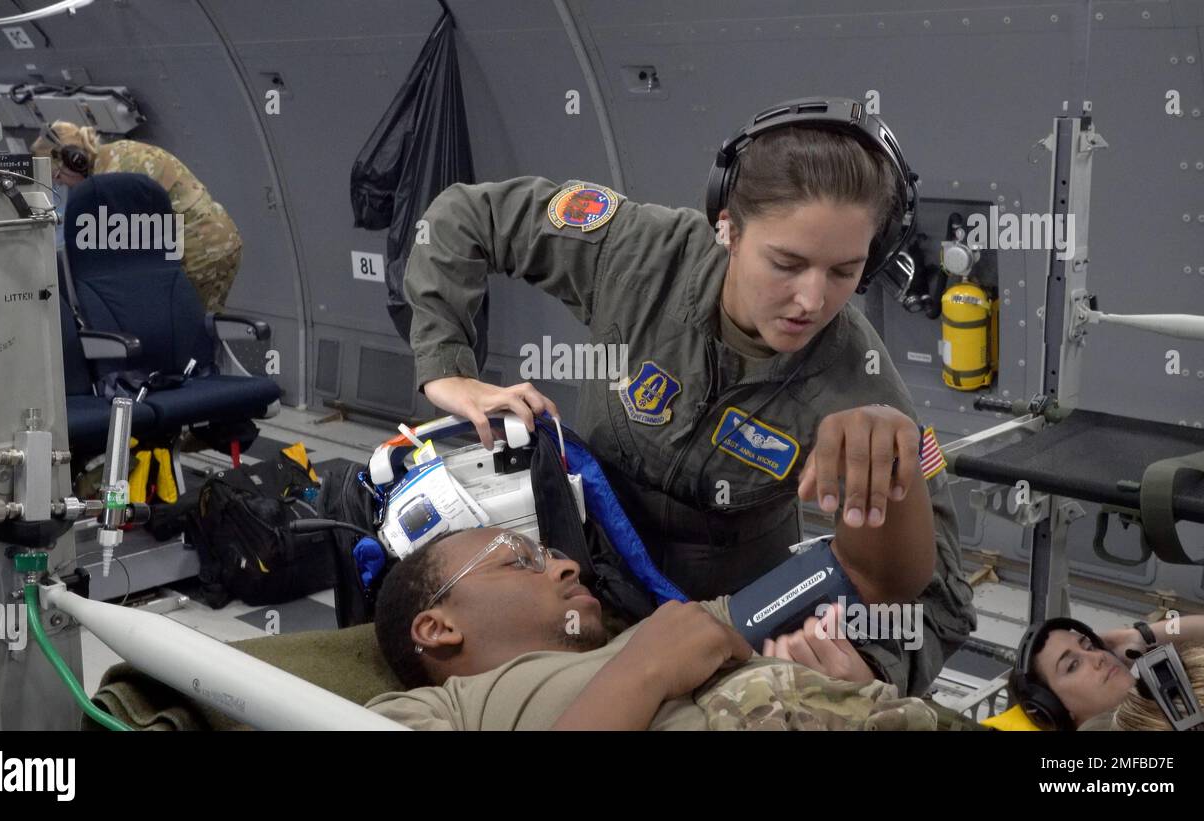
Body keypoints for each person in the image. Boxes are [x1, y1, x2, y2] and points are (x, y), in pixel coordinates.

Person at [400, 97, 975, 695]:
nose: (812, 300)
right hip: (576, 577)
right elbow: (464, 217)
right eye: (786, 263)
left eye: (843, 272)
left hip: (725, 632)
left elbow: (942, 601)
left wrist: (871, 666)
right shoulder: (639, 254)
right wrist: (447, 366)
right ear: (728, 227)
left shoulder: (862, 388)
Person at [365, 526, 976, 731]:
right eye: (519, 559)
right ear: (436, 627)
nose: (566, 563)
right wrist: (643, 673)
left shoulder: (665, 629)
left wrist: (890, 451)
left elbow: (867, 572)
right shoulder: (432, 710)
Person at [31, 121, 242, 312]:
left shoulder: (113, 178)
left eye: (58, 176)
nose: (60, 184)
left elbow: (127, 251)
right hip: (213, 238)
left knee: (188, 329)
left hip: (199, 248)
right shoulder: (114, 154)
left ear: (74, 160)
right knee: (202, 324)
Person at [1012, 614, 1204, 730]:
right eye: (1072, 666)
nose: (1098, 657)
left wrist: (1142, 636)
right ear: (1054, 707)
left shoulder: (1159, 696)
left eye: (1089, 646)